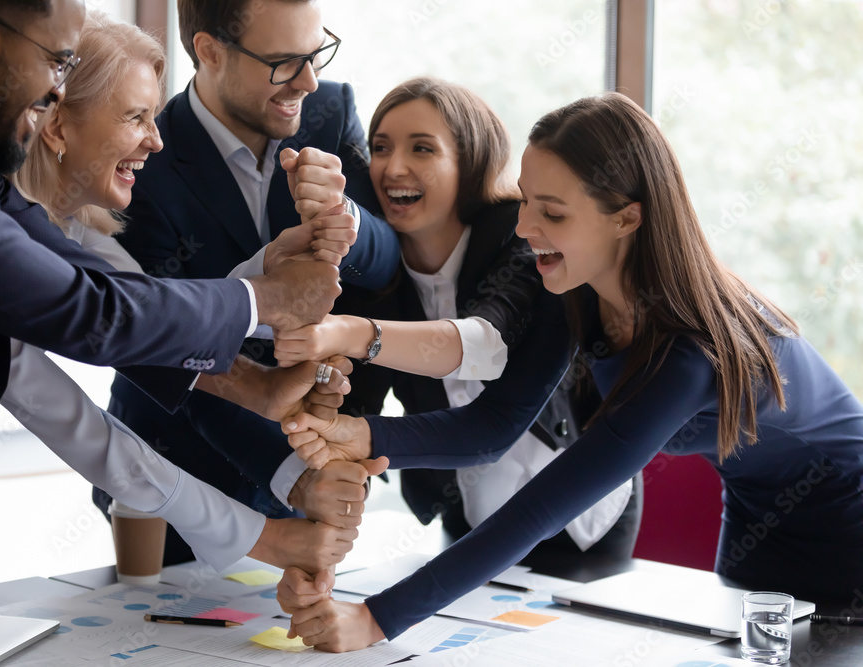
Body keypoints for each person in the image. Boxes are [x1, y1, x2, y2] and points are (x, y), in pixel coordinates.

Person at [277, 92, 863, 652]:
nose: (525, 227)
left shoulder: (688, 355)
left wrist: (376, 619)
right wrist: (363, 437)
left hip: (849, 523)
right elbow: (491, 426)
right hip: (756, 512)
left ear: (626, 218)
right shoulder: (573, 286)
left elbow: (540, 507)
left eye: (551, 212)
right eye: (526, 200)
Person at [0, 0, 337, 637]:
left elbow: (112, 292)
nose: (54, 91)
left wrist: (262, 294)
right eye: (57, 63)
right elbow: (95, 323)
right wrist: (266, 299)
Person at [3, 12, 370, 577]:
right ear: (56, 127)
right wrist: (262, 537)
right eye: (135, 118)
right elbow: (87, 420)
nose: (155, 139)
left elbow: (152, 316)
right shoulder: (0, 237)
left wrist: (268, 273)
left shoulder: (67, 224)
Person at [272, 77, 639, 559]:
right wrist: (333, 498)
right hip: (465, 516)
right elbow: (353, 411)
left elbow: (486, 344)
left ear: (469, 161)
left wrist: (352, 333)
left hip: (584, 514)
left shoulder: (524, 234)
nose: (393, 167)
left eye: (422, 149)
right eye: (380, 147)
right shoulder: (379, 276)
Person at [96, 0, 401, 564]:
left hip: (313, 464)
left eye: (316, 53)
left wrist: (346, 217)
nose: (309, 81)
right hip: (173, 477)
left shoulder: (332, 111)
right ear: (209, 51)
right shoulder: (142, 158)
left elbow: (389, 270)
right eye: (285, 62)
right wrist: (289, 475)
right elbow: (169, 349)